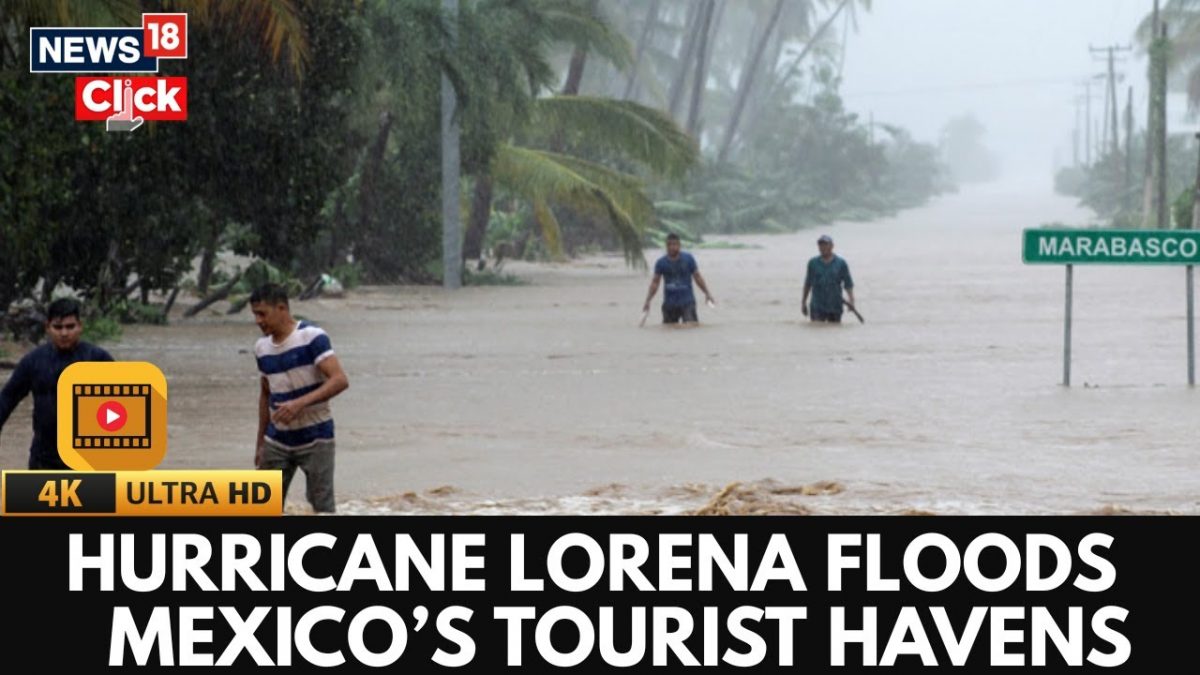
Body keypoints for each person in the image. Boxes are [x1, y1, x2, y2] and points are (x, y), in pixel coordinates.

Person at [251, 283, 349, 513]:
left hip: (316, 438)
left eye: (262, 313)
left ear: (282, 308)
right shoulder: (261, 348)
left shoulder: (311, 337)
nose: (258, 320)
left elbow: (339, 380)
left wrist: (299, 404)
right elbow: (265, 395)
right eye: (255, 314)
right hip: (277, 439)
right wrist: (260, 443)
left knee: (322, 508)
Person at [0, 298, 114, 469]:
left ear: (80, 326)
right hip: (43, 458)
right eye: (58, 327)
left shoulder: (98, 359)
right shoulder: (33, 362)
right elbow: (7, 399)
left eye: (70, 327)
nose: (64, 333)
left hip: (88, 460)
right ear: (47, 328)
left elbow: (124, 406)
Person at [643, 233, 715, 325]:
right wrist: (648, 301)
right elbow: (655, 283)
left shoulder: (688, 259)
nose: (672, 247)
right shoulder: (661, 263)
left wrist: (707, 293)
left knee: (691, 328)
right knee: (669, 330)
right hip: (669, 304)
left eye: (674, 244)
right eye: (669, 244)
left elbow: (698, 277)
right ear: (666, 246)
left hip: (687, 303)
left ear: (679, 246)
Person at [802, 234, 855, 323]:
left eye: (825, 244)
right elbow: (808, 284)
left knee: (834, 332)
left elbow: (848, 284)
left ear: (832, 246)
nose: (823, 247)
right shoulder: (813, 263)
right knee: (816, 331)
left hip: (835, 306)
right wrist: (803, 303)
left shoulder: (841, 263)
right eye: (820, 245)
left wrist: (851, 301)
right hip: (817, 306)